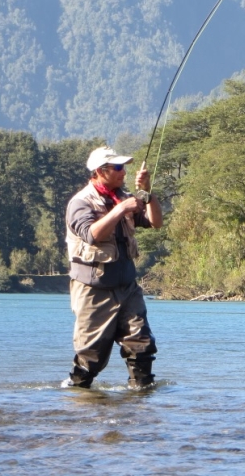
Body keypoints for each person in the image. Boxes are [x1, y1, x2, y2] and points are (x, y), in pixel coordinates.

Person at [62, 146, 163, 389]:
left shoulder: (124, 197)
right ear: (100, 171)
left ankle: (141, 398)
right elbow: (92, 234)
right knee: (91, 355)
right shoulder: (80, 203)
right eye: (118, 167)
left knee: (141, 344)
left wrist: (147, 193)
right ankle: (78, 394)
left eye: (124, 167)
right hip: (93, 290)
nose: (123, 172)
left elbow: (156, 222)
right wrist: (120, 209)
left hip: (127, 287)